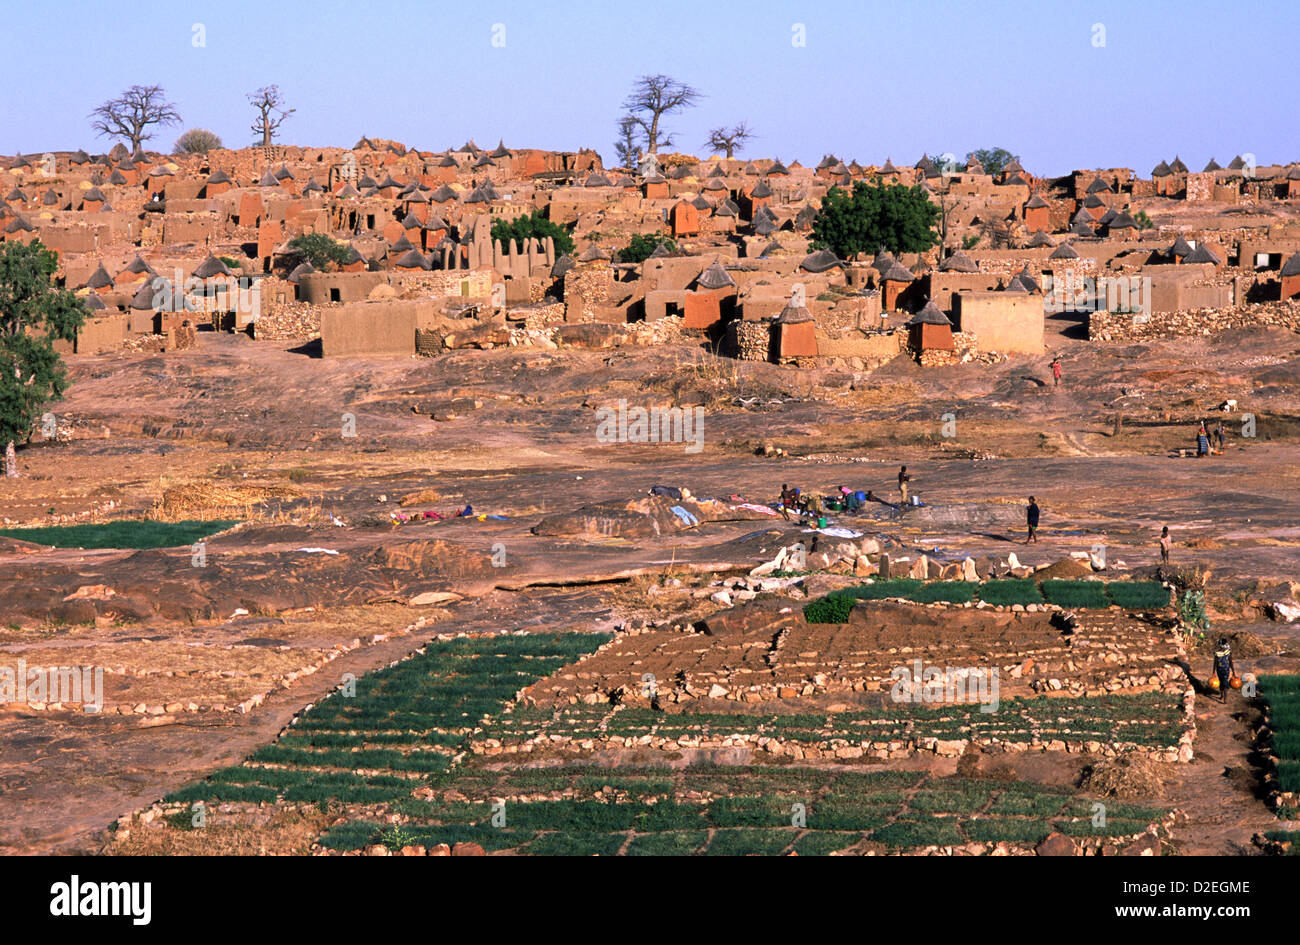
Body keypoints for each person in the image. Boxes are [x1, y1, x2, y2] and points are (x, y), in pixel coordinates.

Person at [1212, 637, 1235, 705]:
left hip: (1225, 670)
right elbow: (1215, 663)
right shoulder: (1217, 653)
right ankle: (1222, 696)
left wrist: (1233, 671)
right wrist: (1213, 672)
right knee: (1221, 682)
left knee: (1225, 683)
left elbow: (1231, 662)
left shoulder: (1228, 652)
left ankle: (1225, 699)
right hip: (1220, 670)